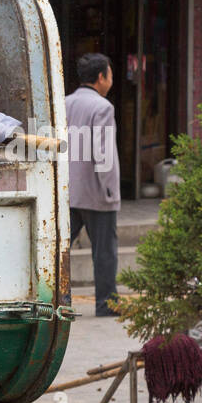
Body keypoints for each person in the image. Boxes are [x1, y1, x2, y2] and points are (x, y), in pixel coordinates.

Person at [65, 53, 121, 316]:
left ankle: (59, 301)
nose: (111, 79)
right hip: (98, 193)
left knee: (59, 250)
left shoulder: (64, 103)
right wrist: (109, 190)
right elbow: (104, 153)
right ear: (101, 77)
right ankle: (106, 304)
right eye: (110, 74)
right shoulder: (102, 107)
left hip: (69, 192)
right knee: (104, 253)